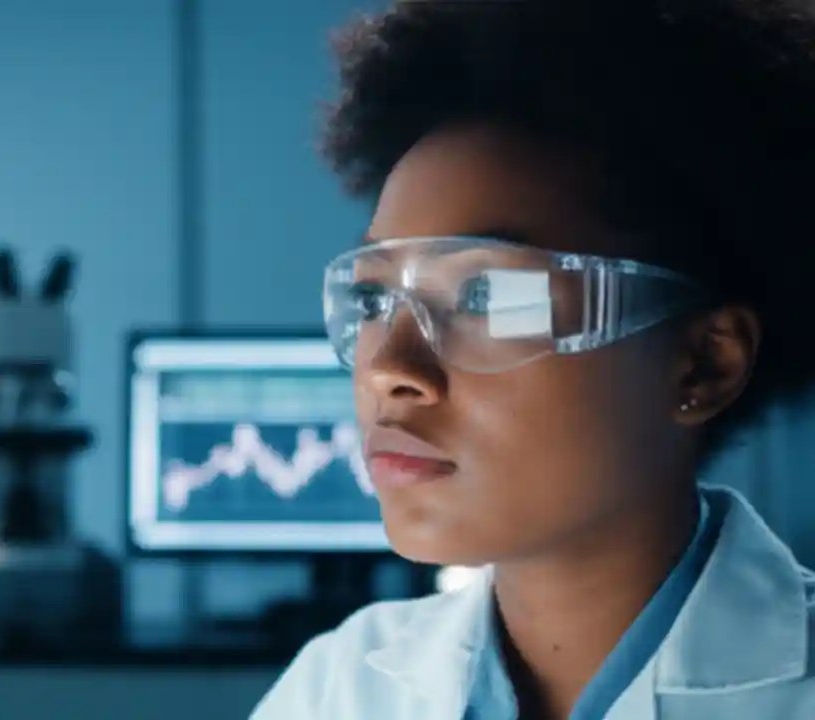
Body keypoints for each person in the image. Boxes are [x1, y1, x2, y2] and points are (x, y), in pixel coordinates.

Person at [252, 1, 815, 718]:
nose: (389, 368)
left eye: (489, 299)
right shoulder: (340, 689)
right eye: (371, 300)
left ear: (703, 364)